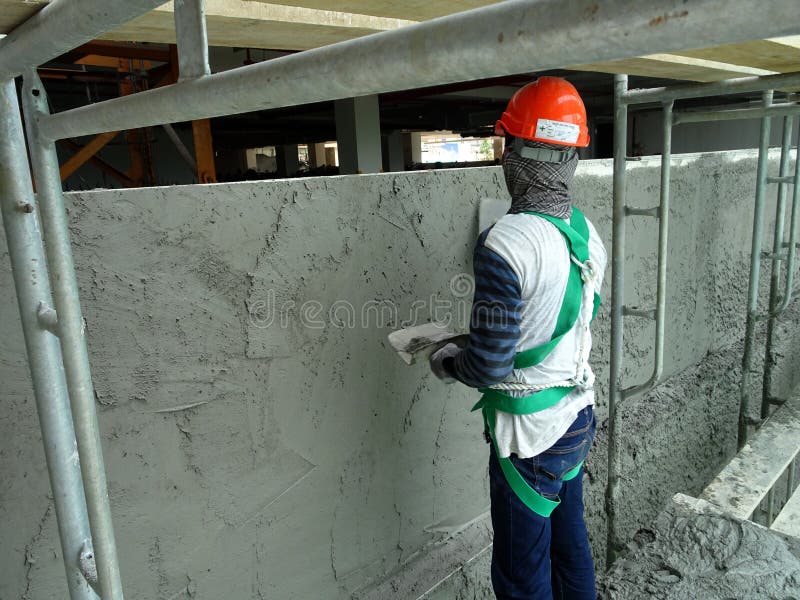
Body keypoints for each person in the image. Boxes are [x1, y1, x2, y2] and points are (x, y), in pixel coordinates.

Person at [429, 76, 607, 600]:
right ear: (570, 157)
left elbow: (488, 366)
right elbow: (568, 318)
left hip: (530, 435)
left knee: (520, 576)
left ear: (515, 153)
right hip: (577, 416)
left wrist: (446, 360)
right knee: (569, 546)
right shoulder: (586, 231)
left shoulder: (506, 242)